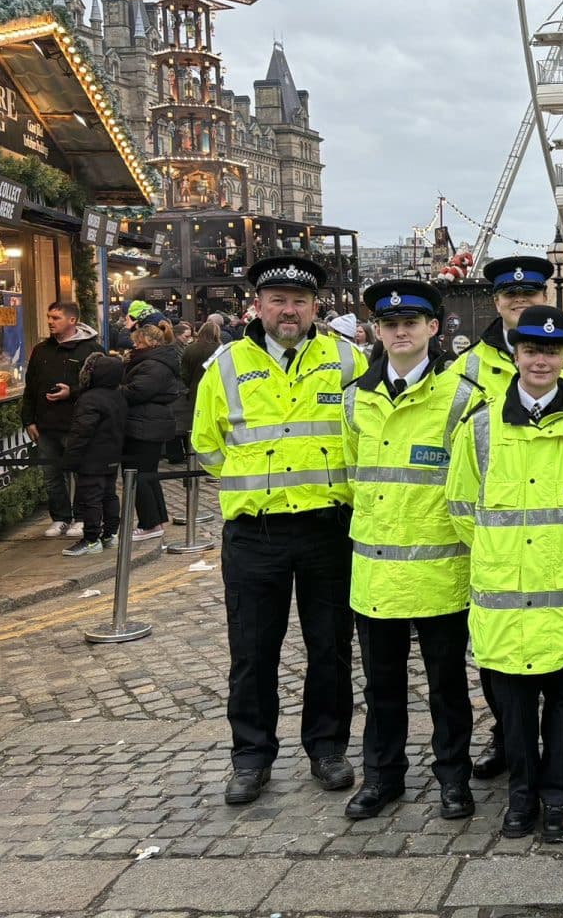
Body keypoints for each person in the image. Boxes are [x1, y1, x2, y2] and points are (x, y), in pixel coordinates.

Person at [192, 254, 364, 806]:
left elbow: (367, 435)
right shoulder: (223, 366)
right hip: (255, 532)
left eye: (299, 301)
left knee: (330, 649)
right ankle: (251, 757)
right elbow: (206, 444)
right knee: (252, 651)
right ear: (258, 306)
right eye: (278, 301)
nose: (289, 310)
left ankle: (327, 748)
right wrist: (254, 483)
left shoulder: (348, 360)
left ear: (316, 306)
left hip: (328, 527)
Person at [447, 303, 563, 840]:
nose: (542, 360)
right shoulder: (480, 426)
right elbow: (462, 507)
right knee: (513, 713)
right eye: (532, 349)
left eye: (553, 350)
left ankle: (558, 798)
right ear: (515, 353)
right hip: (505, 596)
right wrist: (504, 553)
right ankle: (521, 796)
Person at [341, 279, 477, 823]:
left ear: (432, 329)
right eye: (390, 324)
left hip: (442, 570)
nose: (400, 332)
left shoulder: (463, 396)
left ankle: (453, 778)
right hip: (375, 572)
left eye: (411, 324)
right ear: (378, 331)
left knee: (448, 687)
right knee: (381, 688)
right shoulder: (356, 398)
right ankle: (382, 777)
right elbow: (354, 476)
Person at [23, 300, 104, 540]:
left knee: (81, 473)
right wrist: (28, 420)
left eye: (56, 318)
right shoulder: (41, 350)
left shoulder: (90, 349)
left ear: (72, 320)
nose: (50, 322)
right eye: (49, 317)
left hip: (76, 423)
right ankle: (60, 517)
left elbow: (100, 386)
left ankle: (81, 517)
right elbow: (30, 387)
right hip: (45, 424)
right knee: (51, 475)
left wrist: (73, 392)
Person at [121, 314, 187, 542]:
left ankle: (150, 523)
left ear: (149, 343)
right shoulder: (154, 361)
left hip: (146, 424)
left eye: (137, 343)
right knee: (148, 474)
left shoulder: (153, 364)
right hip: (148, 423)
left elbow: (137, 391)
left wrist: (116, 390)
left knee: (140, 475)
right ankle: (156, 520)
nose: (134, 347)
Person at [59, 353, 126, 556]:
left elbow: (81, 431)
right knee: (109, 495)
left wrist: (70, 459)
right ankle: (109, 535)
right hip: (112, 454)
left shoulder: (89, 399)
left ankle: (91, 539)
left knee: (91, 498)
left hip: (92, 457)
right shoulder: (118, 395)